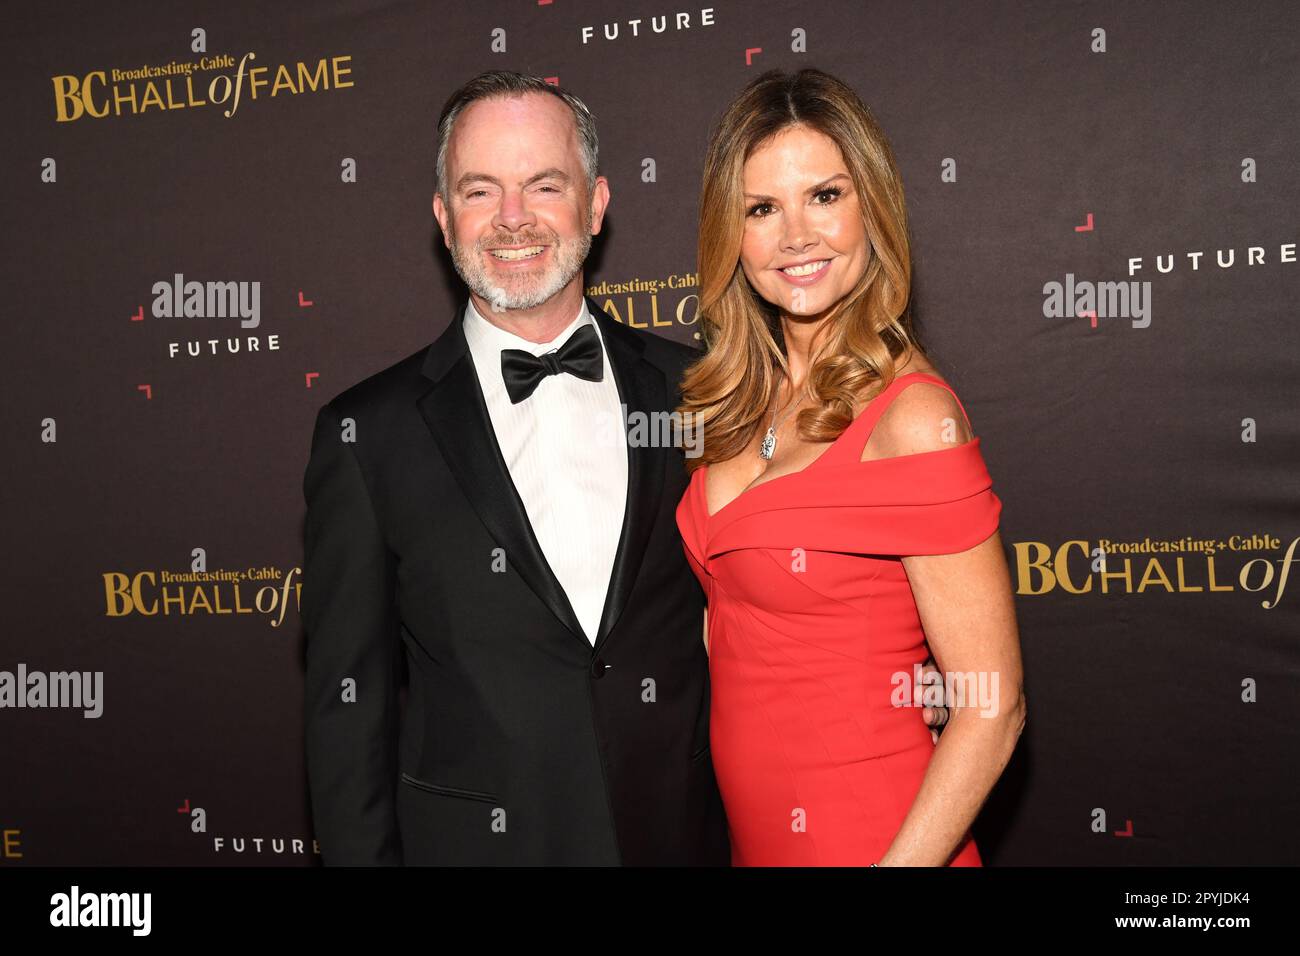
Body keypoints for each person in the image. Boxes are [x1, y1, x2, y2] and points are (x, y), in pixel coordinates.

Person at [301, 69, 949, 866]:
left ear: (597, 203)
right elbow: (347, 712)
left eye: (544, 184)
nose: (513, 219)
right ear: (443, 217)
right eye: (479, 191)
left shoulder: (710, 393)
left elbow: (782, 606)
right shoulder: (367, 434)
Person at [675, 68, 1027, 866]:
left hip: (878, 843)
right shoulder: (736, 406)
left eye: (825, 196)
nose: (796, 235)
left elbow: (992, 704)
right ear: (730, 235)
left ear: (872, 205)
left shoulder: (913, 418)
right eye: (762, 208)